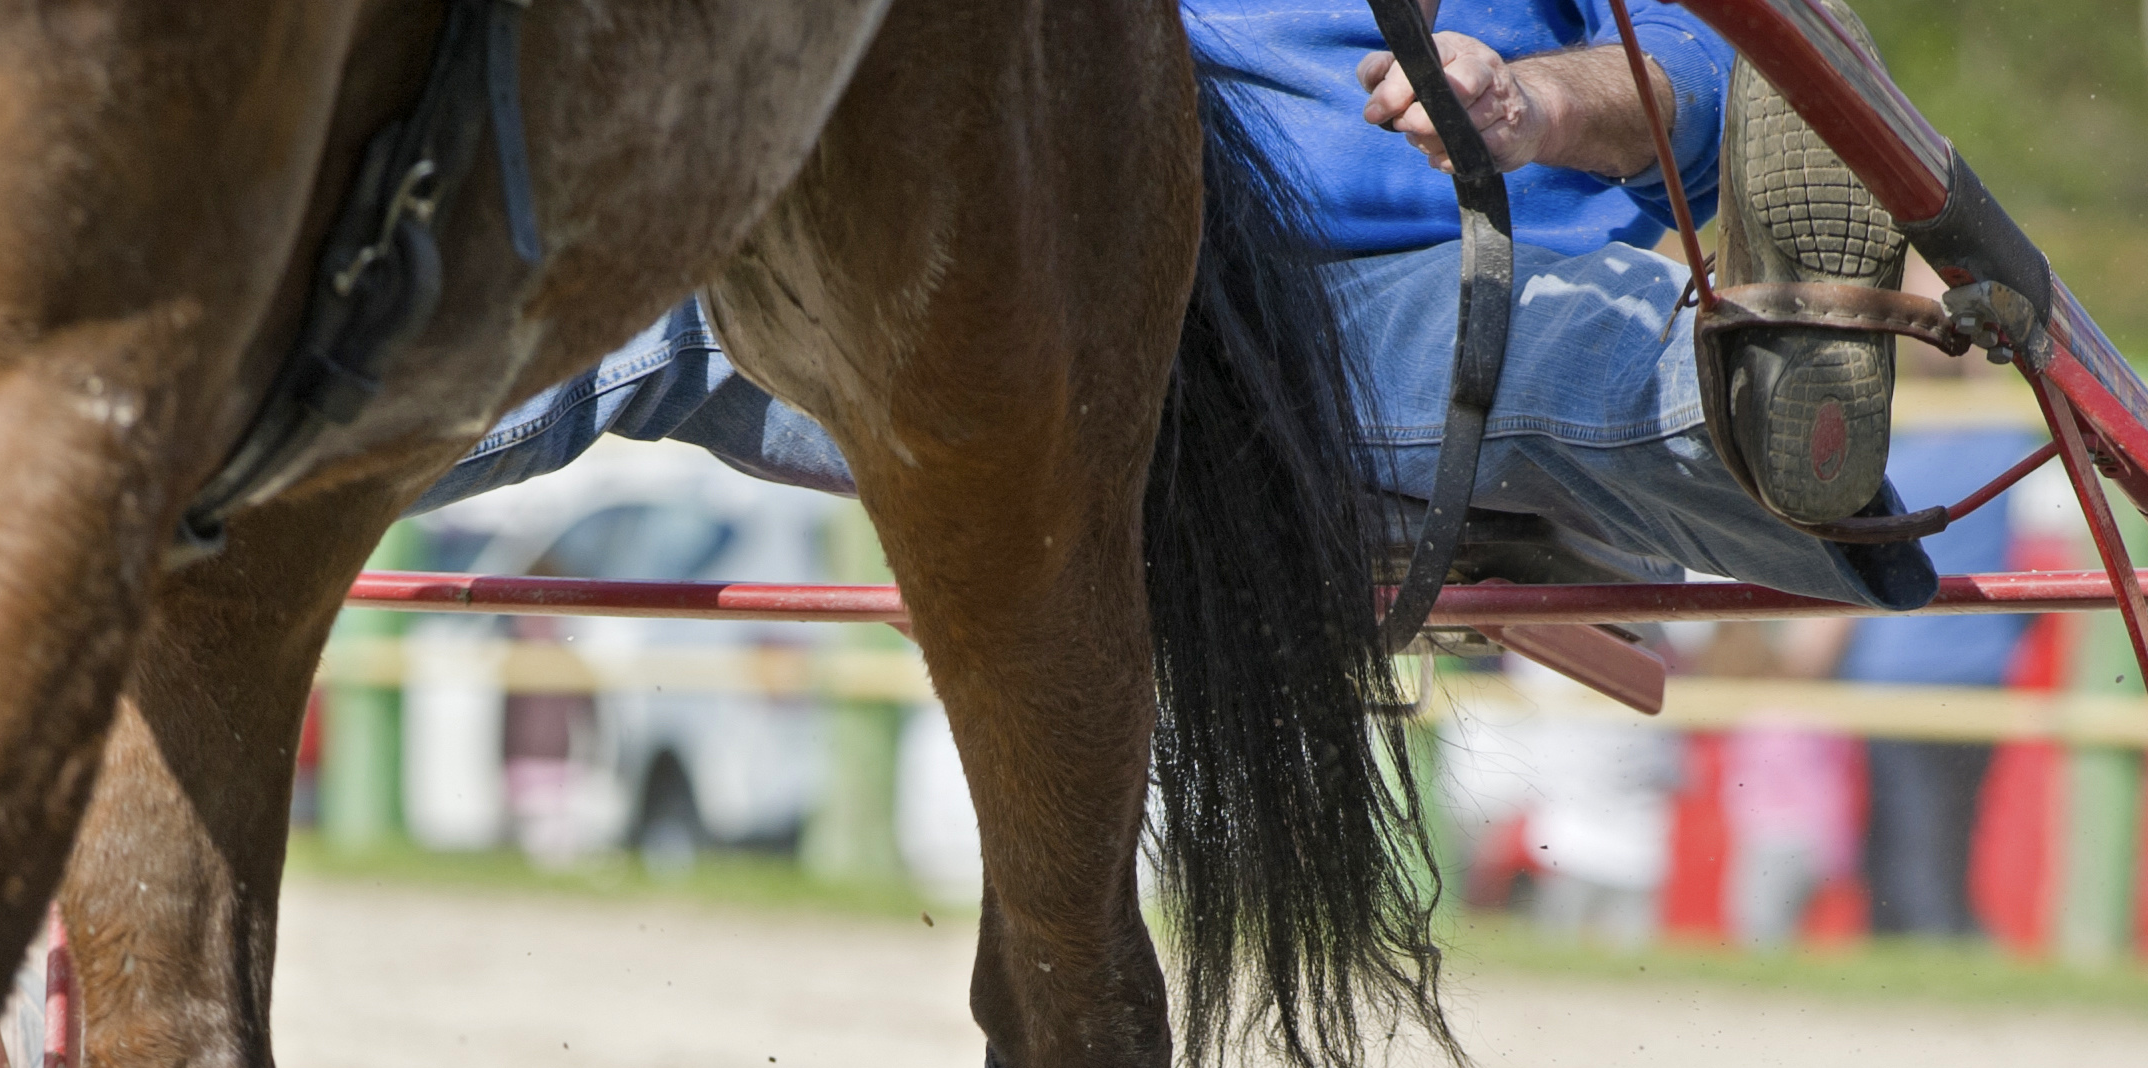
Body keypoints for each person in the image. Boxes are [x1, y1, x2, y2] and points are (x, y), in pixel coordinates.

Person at [413, 1, 1928, 617]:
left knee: (1616, 369)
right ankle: (253, 462)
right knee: (657, 294)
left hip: (1417, 283)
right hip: (1057, 296)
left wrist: (1529, 95)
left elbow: (1716, 64)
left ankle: (1791, 424)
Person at [1836, 402, 2036, 938]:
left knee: (1910, 852)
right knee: (1936, 846)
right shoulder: (2000, 438)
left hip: (1902, 676)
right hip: (1974, 672)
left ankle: (1931, 957)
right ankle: (1934, 954)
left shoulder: (1880, 441)